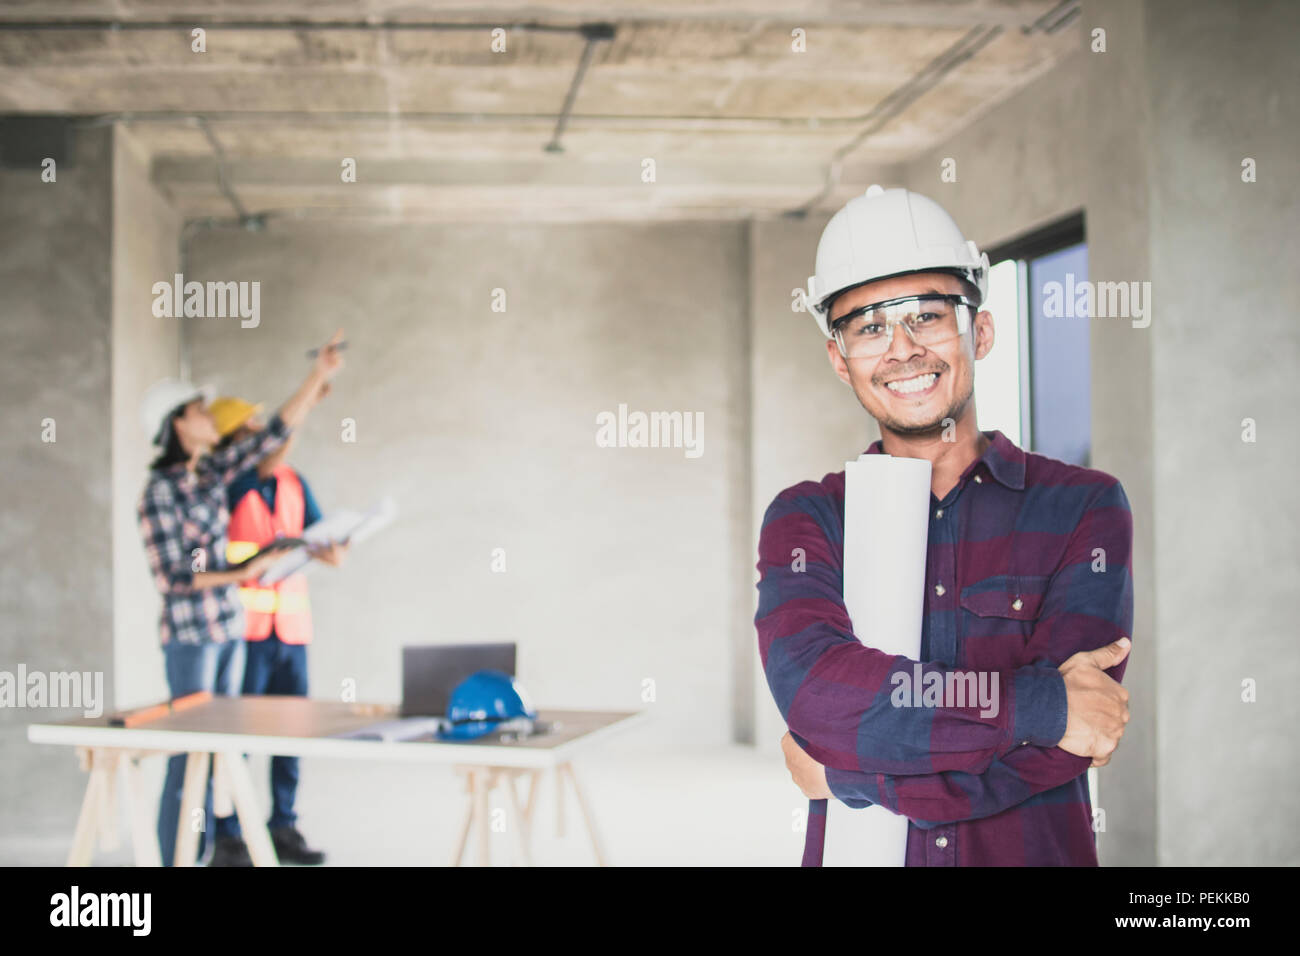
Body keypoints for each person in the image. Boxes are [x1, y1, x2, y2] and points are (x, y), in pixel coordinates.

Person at [756, 188, 1133, 866]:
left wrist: (849, 778)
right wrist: (1042, 704)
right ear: (842, 362)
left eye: (927, 316)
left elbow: (1057, 754)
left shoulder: (1084, 506)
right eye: (869, 327)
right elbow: (818, 697)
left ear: (978, 332)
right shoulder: (807, 519)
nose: (902, 349)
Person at [137, 330, 345, 867]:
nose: (211, 417)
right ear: (177, 424)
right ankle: (175, 862)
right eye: (199, 410)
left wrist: (317, 378)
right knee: (191, 757)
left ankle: (209, 853)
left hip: (228, 629)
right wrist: (241, 571)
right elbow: (174, 575)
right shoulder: (159, 492)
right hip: (192, 638)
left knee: (221, 757)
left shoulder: (208, 477)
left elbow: (273, 435)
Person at [205, 395, 348, 865]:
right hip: (243, 634)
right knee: (238, 738)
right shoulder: (229, 484)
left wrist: (333, 549)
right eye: (249, 428)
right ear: (232, 441)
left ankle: (282, 825)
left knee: (291, 733)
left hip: (291, 630)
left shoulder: (292, 483)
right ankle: (228, 833)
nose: (259, 433)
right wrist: (313, 389)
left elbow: (318, 534)